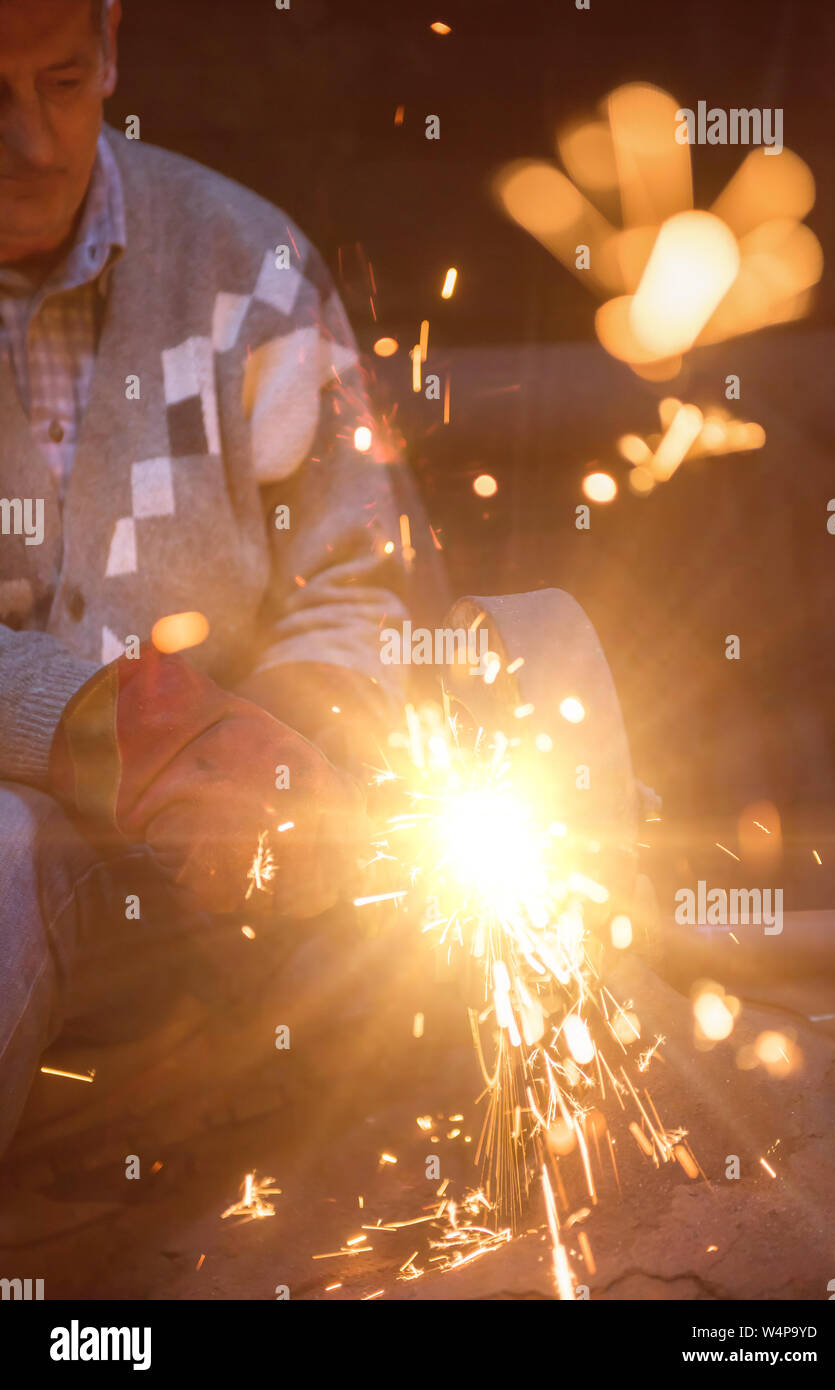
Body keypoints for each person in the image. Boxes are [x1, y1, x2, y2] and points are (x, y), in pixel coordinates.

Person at [0, 0, 415, 1161]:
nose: (31, 142)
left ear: (114, 46)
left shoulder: (244, 265)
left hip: (225, 872)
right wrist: (115, 730)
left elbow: (364, 575)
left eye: (65, 82)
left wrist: (279, 749)